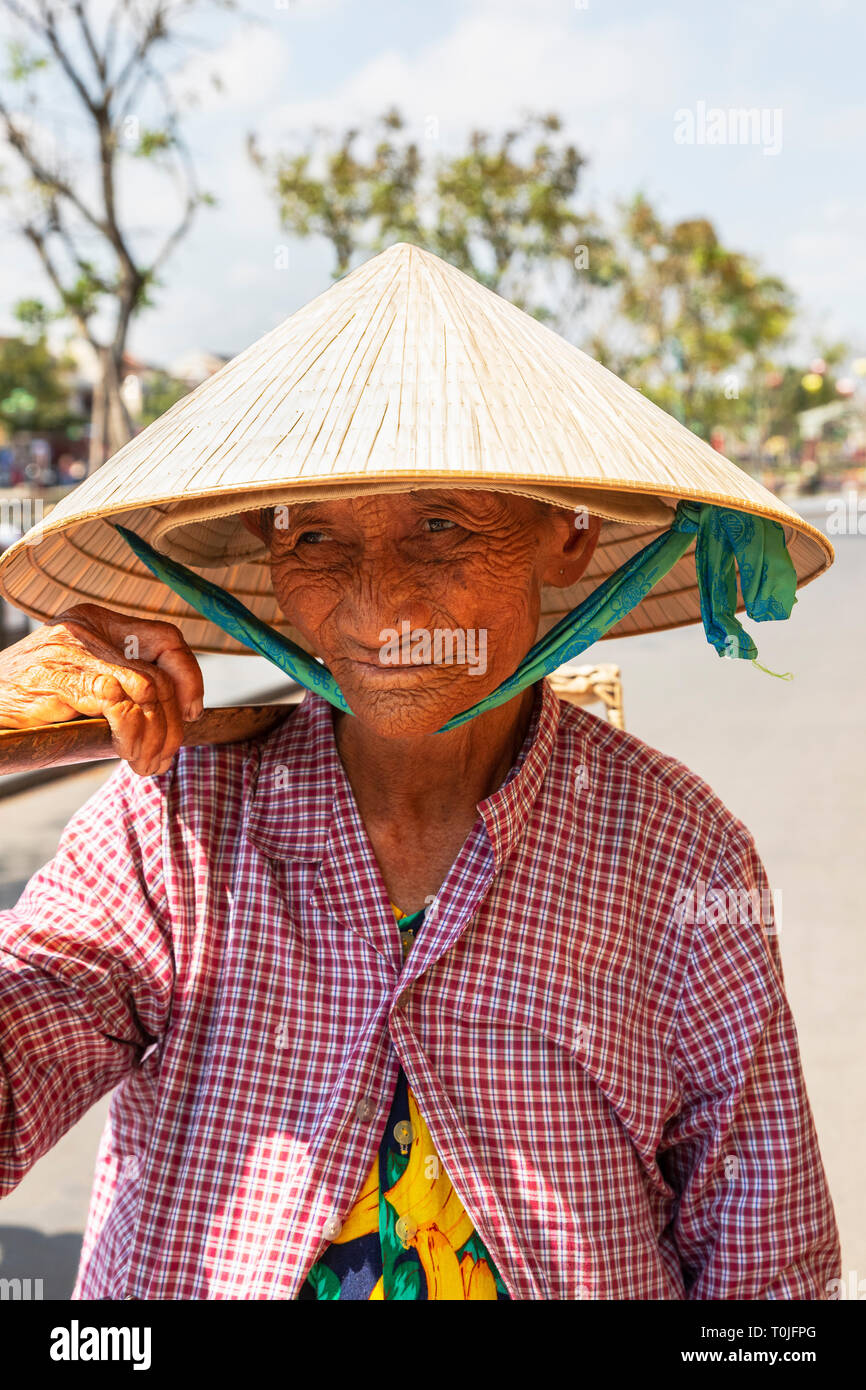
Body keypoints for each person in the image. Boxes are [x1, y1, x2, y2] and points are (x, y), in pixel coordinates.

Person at [0, 243, 841, 1300]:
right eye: (313, 539)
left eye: (440, 526)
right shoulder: (170, 823)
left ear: (567, 540)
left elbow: (768, 1270)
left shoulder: (675, 844)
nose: (378, 606)